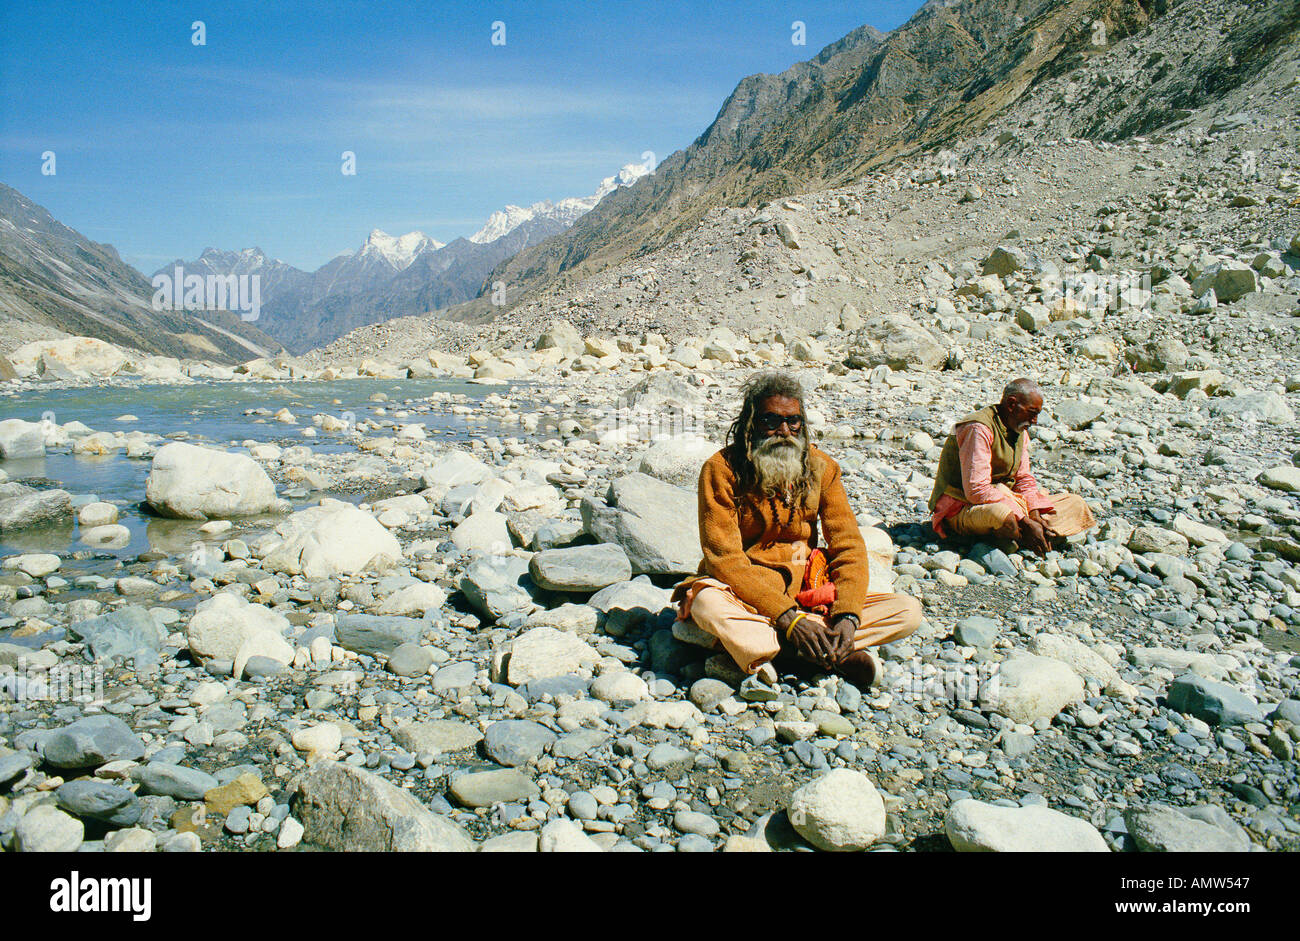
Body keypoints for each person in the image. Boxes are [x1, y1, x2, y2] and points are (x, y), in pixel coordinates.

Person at [671, 370, 922, 688]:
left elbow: (847, 544)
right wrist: (788, 618)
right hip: (744, 596)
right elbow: (724, 559)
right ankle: (819, 652)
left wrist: (847, 617)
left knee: (907, 611)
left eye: (793, 422)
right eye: (771, 421)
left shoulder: (822, 468)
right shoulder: (721, 470)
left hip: (806, 593)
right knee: (708, 604)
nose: (784, 431)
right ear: (751, 423)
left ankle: (799, 645)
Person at [928, 378, 1096, 554]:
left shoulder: (1019, 430)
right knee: (1002, 515)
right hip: (963, 506)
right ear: (1011, 404)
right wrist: (1023, 519)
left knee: (1075, 503)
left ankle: (1020, 535)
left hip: (1006, 499)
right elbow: (976, 491)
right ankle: (1024, 534)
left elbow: (1024, 479)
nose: (1035, 421)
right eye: (1032, 413)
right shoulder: (978, 429)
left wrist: (1034, 514)